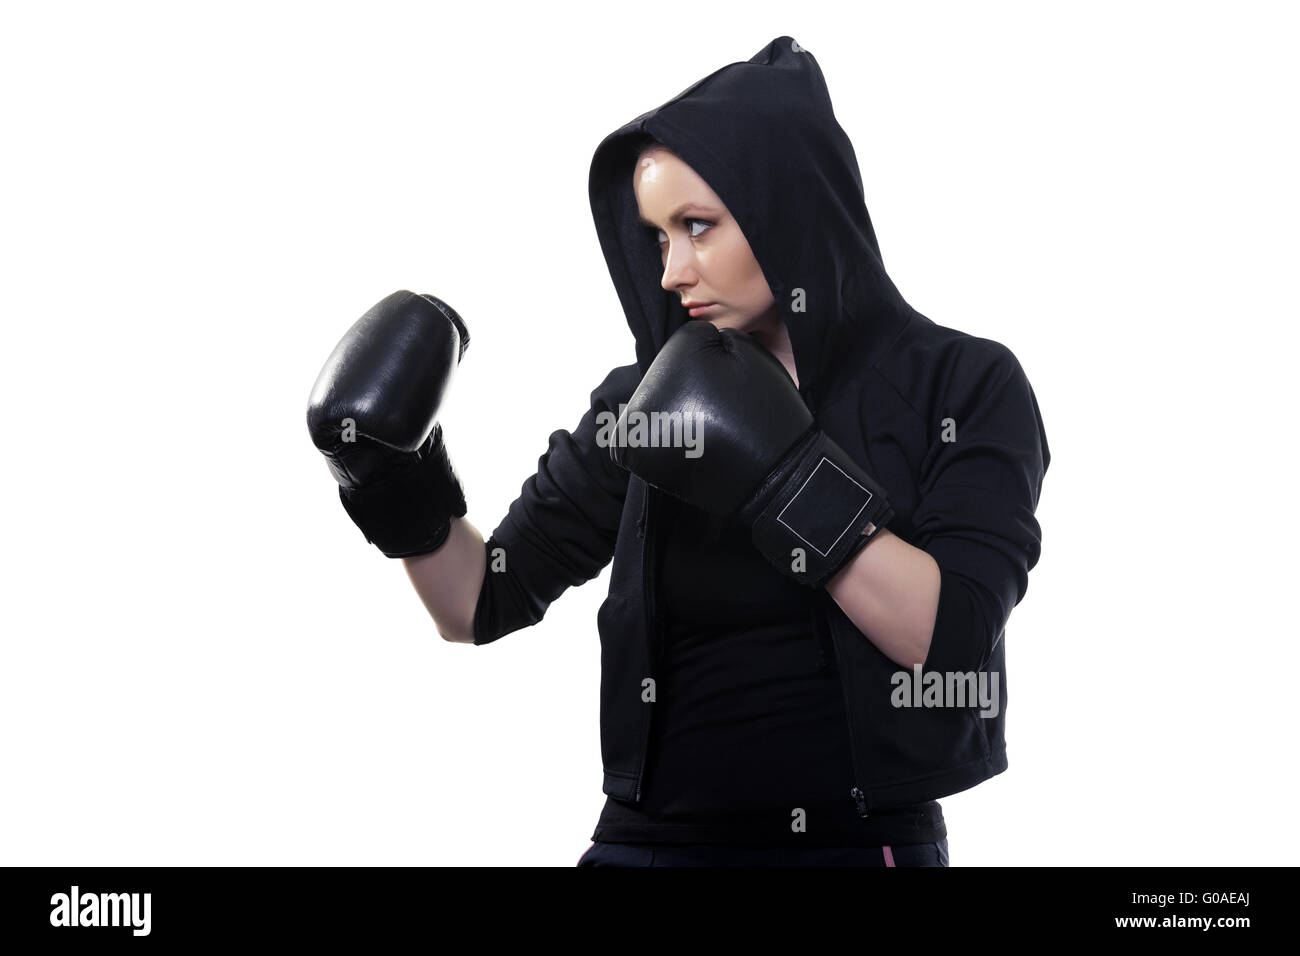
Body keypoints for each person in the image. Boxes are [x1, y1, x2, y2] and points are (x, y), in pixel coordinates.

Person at [307, 35, 1049, 868]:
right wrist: (394, 477)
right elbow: (479, 602)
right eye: (660, 237)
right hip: (646, 845)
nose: (672, 270)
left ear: (788, 210)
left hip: (855, 843)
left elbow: (948, 638)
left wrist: (783, 474)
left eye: (699, 228)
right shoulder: (650, 401)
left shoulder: (960, 383)